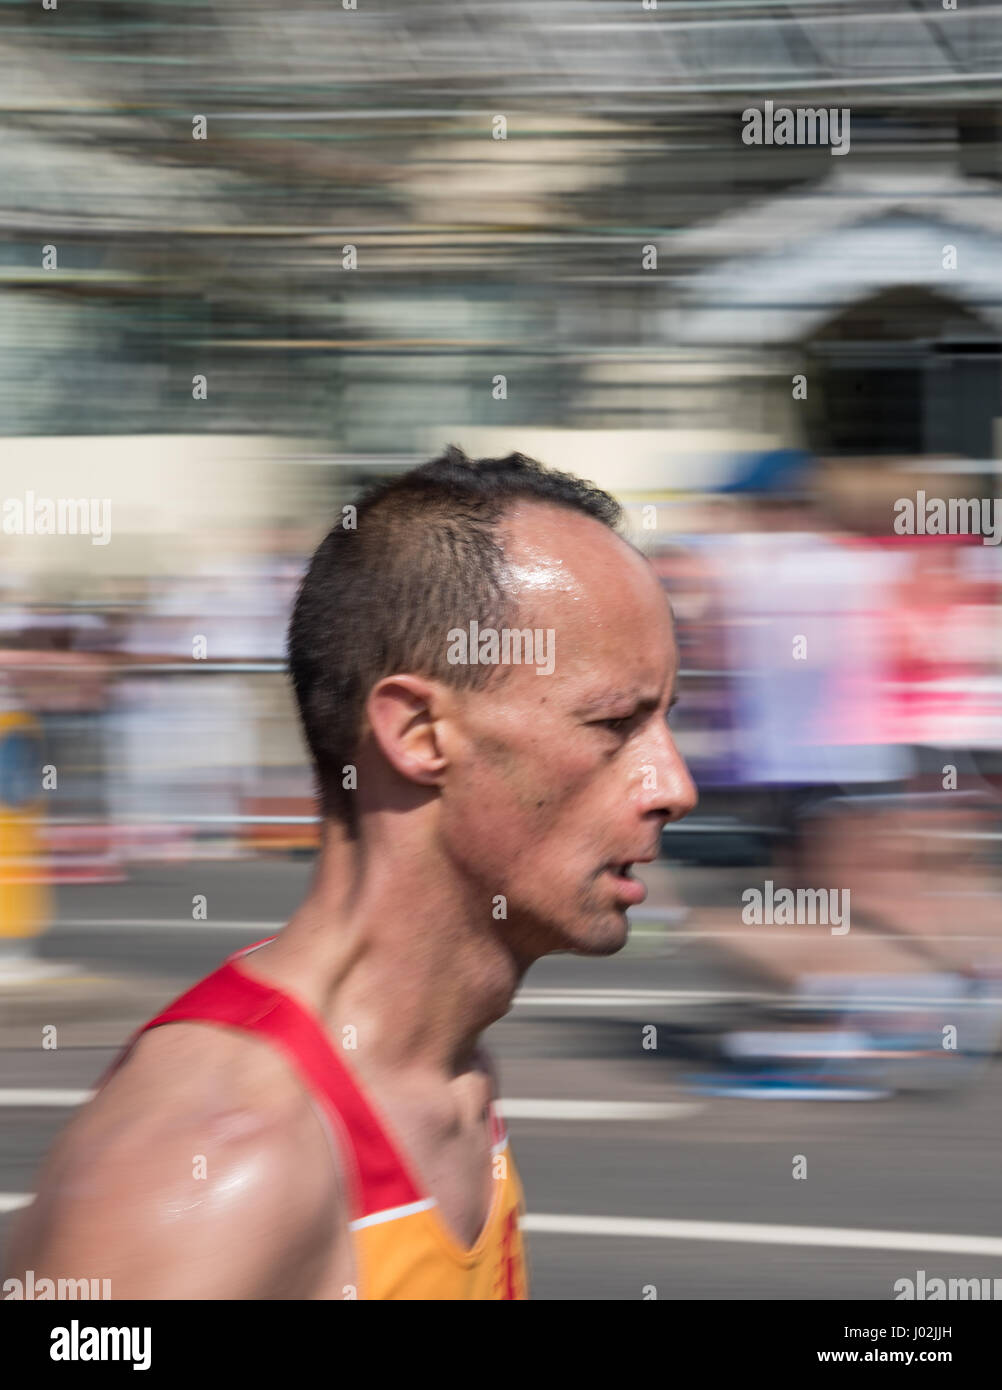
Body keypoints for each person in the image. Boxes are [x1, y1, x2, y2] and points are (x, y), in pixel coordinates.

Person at [4, 446, 697, 1299]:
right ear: (419, 735)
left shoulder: (451, 1081)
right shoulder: (219, 1169)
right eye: (614, 723)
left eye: (666, 719)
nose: (675, 785)